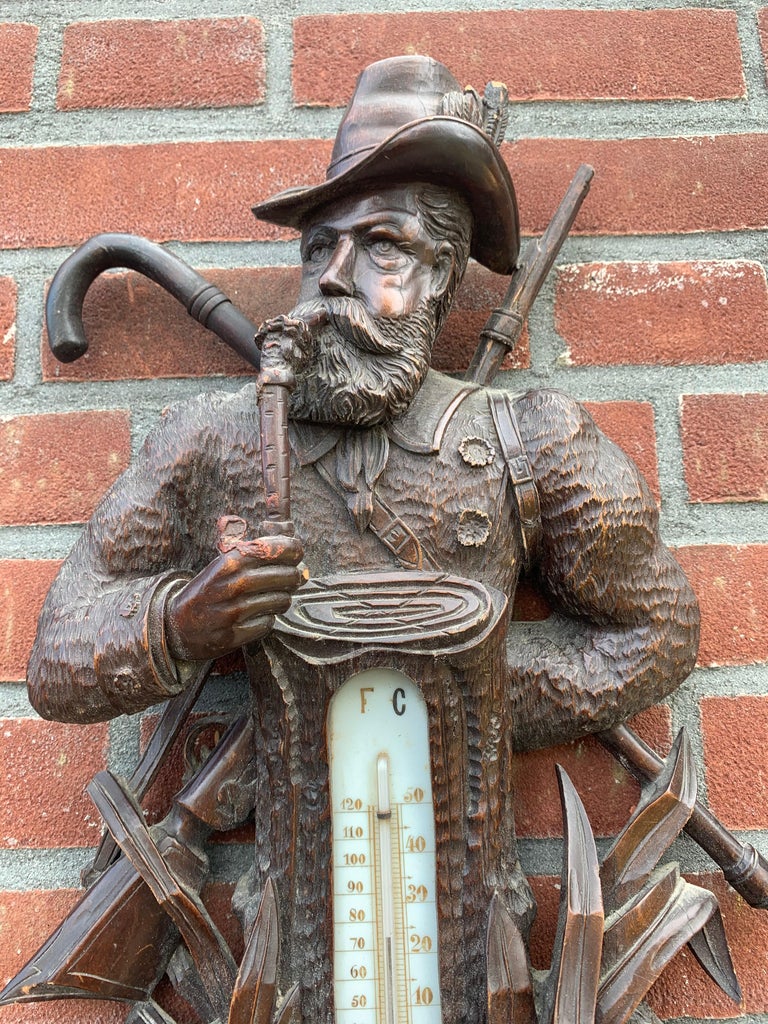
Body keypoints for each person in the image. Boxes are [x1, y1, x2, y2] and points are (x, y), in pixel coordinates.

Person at [23, 55, 699, 1019]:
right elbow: (59, 654)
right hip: (286, 937)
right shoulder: (216, 441)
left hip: (468, 929)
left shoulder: (527, 443)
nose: (331, 279)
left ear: (440, 278)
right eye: (317, 248)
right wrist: (182, 619)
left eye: (379, 246)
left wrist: (464, 689)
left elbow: (658, 628)